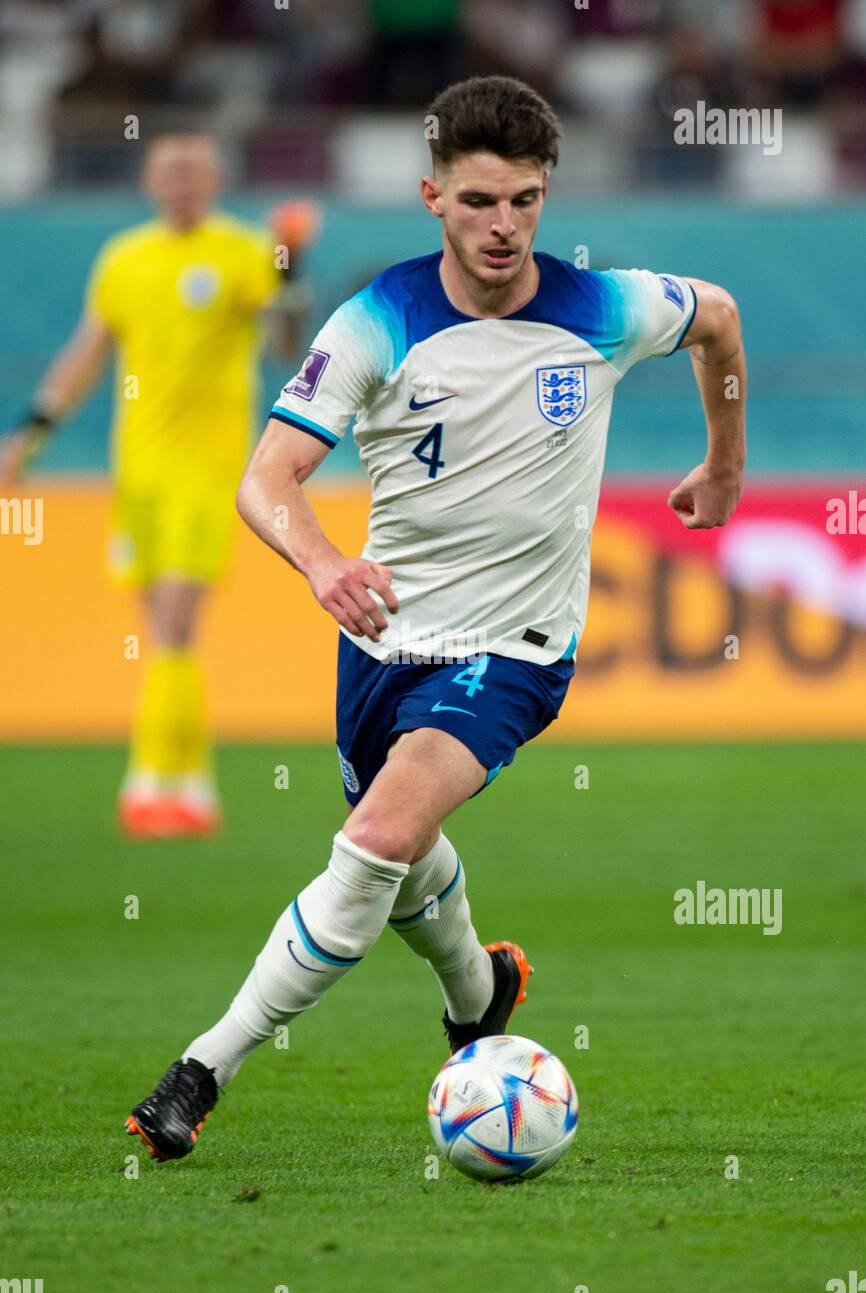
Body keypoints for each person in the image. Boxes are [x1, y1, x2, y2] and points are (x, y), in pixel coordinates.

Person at [125, 75, 746, 1161]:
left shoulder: (603, 308)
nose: (503, 226)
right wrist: (321, 560)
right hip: (381, 641)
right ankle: (479, 990)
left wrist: (724, 464)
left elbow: (720, 319)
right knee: (404, 863)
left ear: (545, 195)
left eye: (523, 200)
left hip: (514, 650)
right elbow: (266, 479)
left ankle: (200, 1070)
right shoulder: (380, 317)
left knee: (375, 839)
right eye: (477, 202)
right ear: (432, 197)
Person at [0, 132, 311, 838]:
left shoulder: (242, 251)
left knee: (175, 622)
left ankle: (149, 779)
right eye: (169, 171)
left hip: (207, 471)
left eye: (194, 171)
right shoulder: (126, 258)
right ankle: (192, 784)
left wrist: (292, 267)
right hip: (137, 468)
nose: (181, 182)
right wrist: (33, 431)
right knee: (162, 630)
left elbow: (284, 341)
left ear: (216, 181)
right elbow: (88, 350)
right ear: (148, 181)